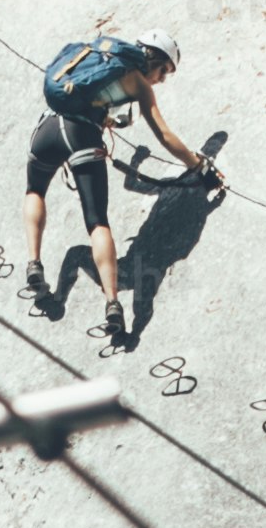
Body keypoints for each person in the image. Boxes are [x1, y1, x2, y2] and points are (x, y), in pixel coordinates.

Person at [20, 31, 209, 341]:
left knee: (35, 191)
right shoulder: (138, 82)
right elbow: (164, 135)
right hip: (81, 136)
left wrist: (108, 124)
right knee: (97, 222)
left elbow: (88, 95)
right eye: (164, 71)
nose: (161, 80)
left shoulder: (98, 57)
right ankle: (112, 304)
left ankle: (34, 265)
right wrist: (197, 166)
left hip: (47, 126)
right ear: (154, 59)